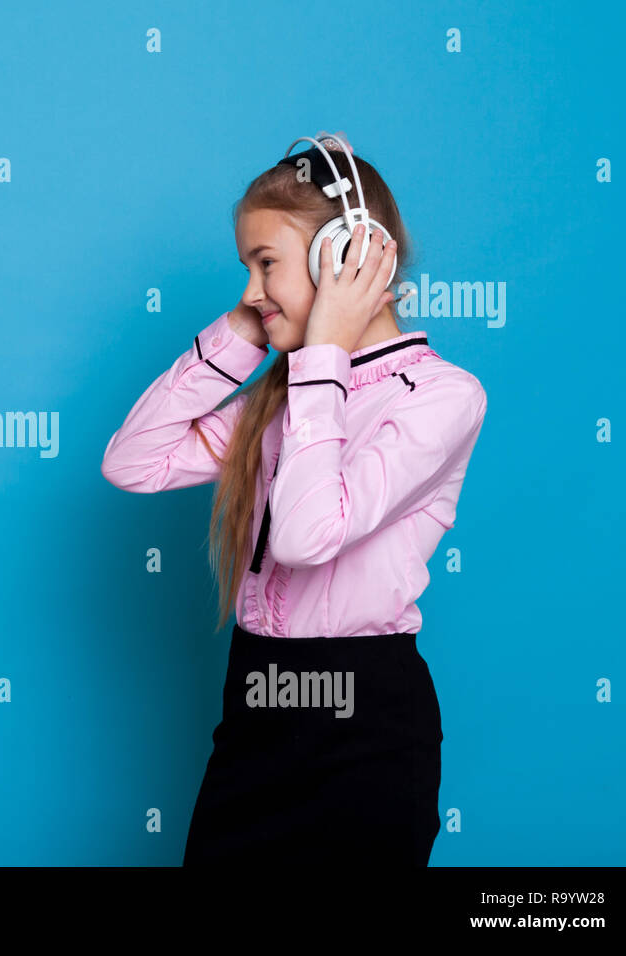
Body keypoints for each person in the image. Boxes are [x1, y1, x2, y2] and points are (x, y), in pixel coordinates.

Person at [101, 136, 487, 866]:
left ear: (343, 259)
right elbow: (132, 462)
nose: (250, 287)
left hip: (363, 723)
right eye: (245, 267)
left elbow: (308, 536)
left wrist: (320, 355)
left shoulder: (443, 397)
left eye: (267, 264)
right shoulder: (277, 407)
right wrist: (246, 334)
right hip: (257, 706)